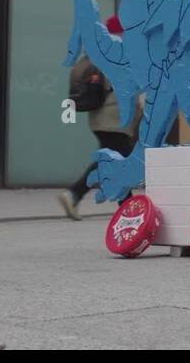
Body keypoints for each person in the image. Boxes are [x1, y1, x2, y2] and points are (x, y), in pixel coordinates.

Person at [57, 15, 142, 221]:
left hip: (101, 118)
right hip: (115, 118)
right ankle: (75, 194)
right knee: (113, 163)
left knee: (116, 163)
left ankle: (128, 209)